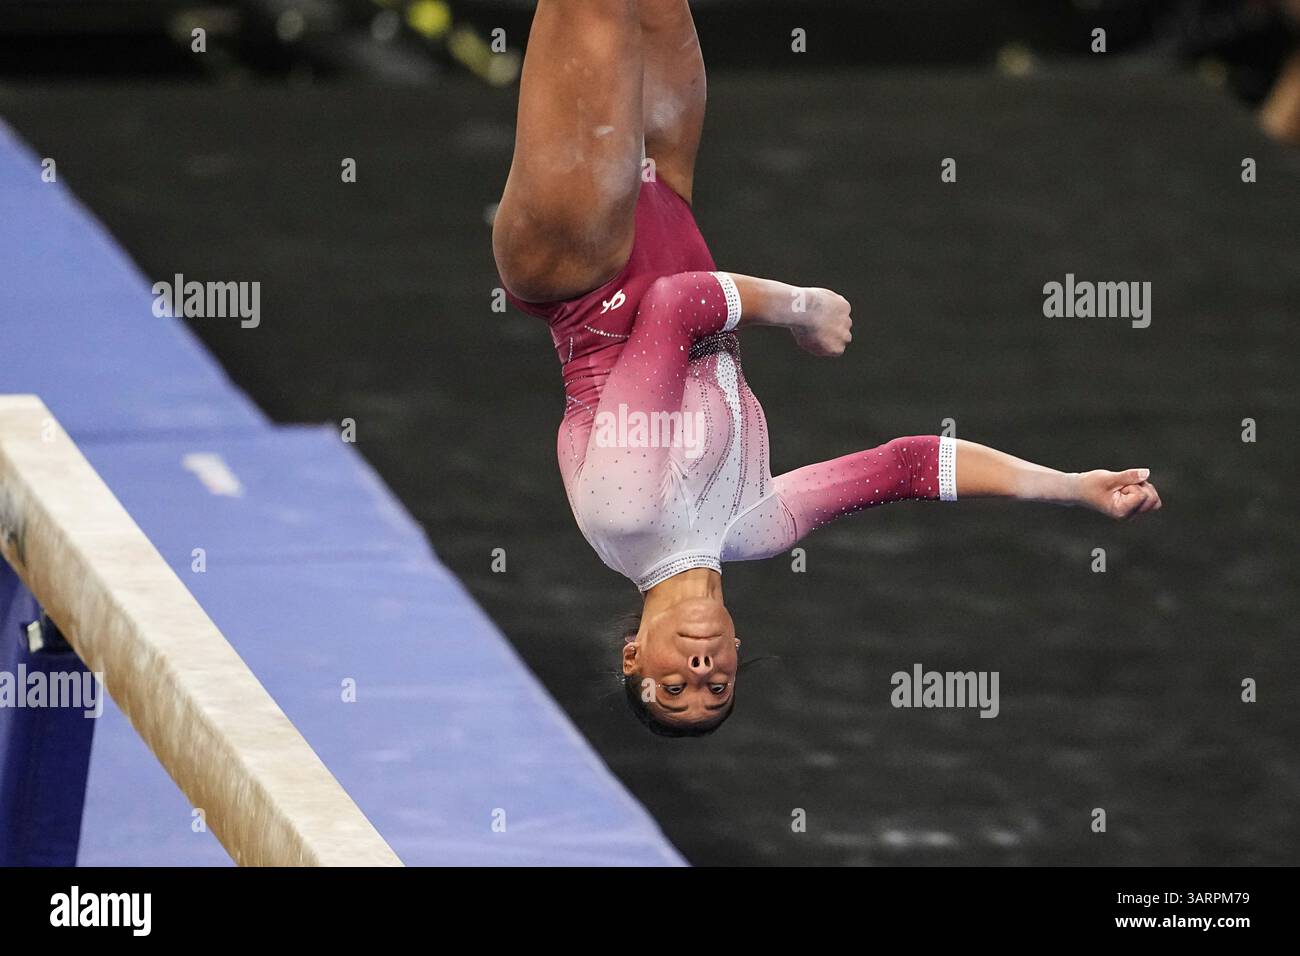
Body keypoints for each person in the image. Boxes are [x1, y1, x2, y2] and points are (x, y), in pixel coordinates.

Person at [492, 1, 1162, 736]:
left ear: (633, 656)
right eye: (715, 692)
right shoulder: (757, 528)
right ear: (736, 652)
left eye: (672, 690)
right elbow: (906, 467)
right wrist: (1068, 487)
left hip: (578, 262)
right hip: (667, 209)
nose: (699, 676)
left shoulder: (630, 517)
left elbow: (677, 308)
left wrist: (801, 307)